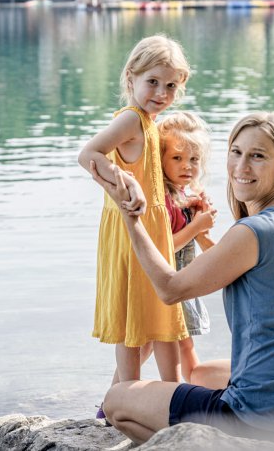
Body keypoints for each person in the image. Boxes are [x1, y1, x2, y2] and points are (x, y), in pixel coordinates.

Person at [89, 112, 274, 443]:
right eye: (236, 152)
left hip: (264, 420)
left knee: (117, 401)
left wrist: (130, 215)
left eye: (257, 156)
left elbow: (169, 288)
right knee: (200, 374)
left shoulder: (254, 232)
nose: (241, 167)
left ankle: (206, 443)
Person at [77, 34, 192, 414]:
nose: (161, 93)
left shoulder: (150, 123)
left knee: (160, 319)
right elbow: (88, 154)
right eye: (153, 82)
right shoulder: (130, 119)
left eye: (171, 86)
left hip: (150, 232)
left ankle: (169, 396)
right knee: (135, 323)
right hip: (131, 236)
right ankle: (125, 403)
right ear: (131, 77)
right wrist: (124, 181)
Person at [158, 111, 217, 382]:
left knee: (185, 342)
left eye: (194, 159)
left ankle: (193, 385)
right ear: (160, 159)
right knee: (147, 345)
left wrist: (199, 218)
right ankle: (116, 394)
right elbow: (163, 248)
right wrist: (195, 226)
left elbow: (203, 243)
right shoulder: (162, 200)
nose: (187, 166)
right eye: (177, 158)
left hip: (182, 280)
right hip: (165, 282)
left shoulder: (184, 194)